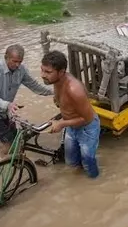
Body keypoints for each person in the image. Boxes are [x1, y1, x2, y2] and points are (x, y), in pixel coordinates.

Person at [0, 45, 54, 152]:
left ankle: (14, 162)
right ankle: (3, 163)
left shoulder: (21, 70)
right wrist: (7, 105)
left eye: (20, 62)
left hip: (6, 111)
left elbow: (34, 85)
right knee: (11, 143)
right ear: (6, 57)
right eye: (14, 61)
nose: (17, 65)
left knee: (18, 138)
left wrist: (53, 92)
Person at [39, 51, 100, 179]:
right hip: (71, 127)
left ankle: (94, 184)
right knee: (71, 162)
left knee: (88, 163)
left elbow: (86, 118)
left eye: (48, 72)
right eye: (42, 70)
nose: (42, 75)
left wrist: (61, 123)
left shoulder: (74, 89)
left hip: (87, 128)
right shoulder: (55, 81)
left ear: (61, 72)